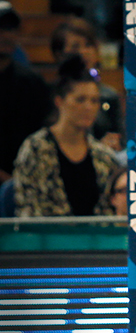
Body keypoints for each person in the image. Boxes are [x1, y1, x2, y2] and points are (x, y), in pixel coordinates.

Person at [13, 54, 120, 217]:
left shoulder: (104, 156)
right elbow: (28, 211)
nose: (88, 107)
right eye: (80, 99)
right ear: (59, 101)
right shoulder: (35, 149)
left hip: (97, 240)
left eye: (94, 100)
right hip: (49, 240)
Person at [50, 17, 123, 151]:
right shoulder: (45, 92)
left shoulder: (109, 95)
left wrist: (113, 143)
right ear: (59, 54)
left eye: (89, 45)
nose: (84, 52)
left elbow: (119, 136)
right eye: (75, 46)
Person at [0, 0, 53, 184]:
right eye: (1, 29)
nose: (6, 36)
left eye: (11, 29)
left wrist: (20, 178)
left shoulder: (32, 82)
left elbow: (43, 134)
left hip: (27, 180)